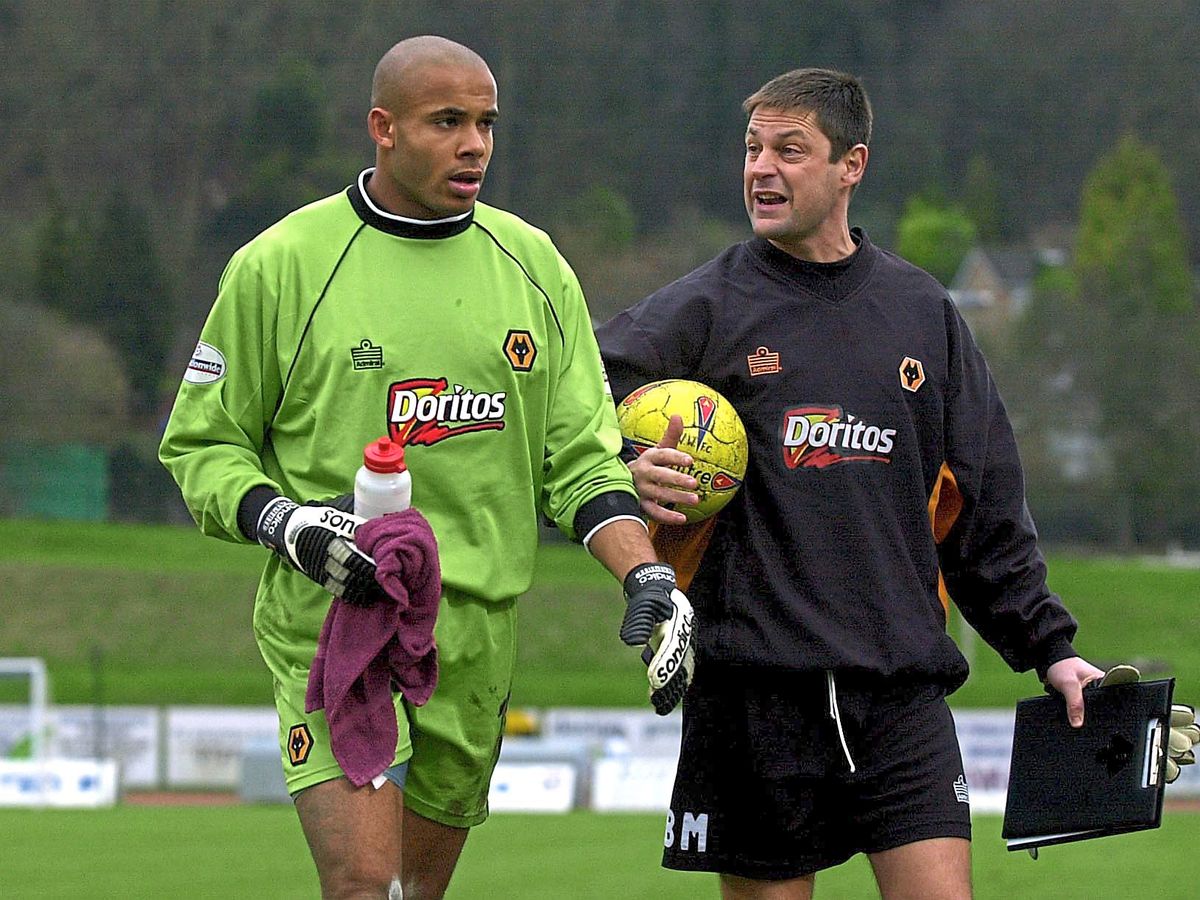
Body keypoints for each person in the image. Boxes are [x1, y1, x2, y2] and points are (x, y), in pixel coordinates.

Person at [159, 35, 692, 900]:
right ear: (384, 129)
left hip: (475, 637)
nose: (475, 143)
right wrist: (284, 521)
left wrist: (648, 580)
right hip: (335, 622)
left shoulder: (535, 267)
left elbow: (582, 462)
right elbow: (200, 443)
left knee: (415, 892)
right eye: (447, 122)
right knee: (366, 885)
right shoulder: (281, 266)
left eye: (486, 123)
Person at [595, 67, 1106, 900]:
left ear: (851, 165)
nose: (762, 168)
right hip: (753, 695)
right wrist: (624, 455)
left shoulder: (922, 313)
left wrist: (1050, 647)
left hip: (899, 692)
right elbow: (576, 397)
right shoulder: (707, 307)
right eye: (753, 149)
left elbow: (982, 510)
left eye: (790, 151)